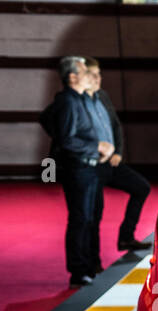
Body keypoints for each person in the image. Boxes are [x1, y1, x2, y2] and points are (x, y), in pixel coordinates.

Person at [43, 55, 111, 287]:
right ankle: (78, 270)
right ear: (72, 77)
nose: (89, 77)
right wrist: (96, 146)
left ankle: (90, 264)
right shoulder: (69, 101)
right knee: (81, 219)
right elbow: (66, 139)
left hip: (90, 167)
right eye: (84, 72)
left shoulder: (82, 99)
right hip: (78, 168)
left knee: (90, 218)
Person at [83, 57, 151, 253]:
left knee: (141, 187)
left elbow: (115, 125)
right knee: (94, 214)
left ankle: (126, 237)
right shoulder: (77, 101)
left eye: (99, 74)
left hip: (110, 163)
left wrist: (118, 152)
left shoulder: (102, 96)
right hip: (90, 165)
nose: (98, 78)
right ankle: (92, 264)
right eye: (93, 75)